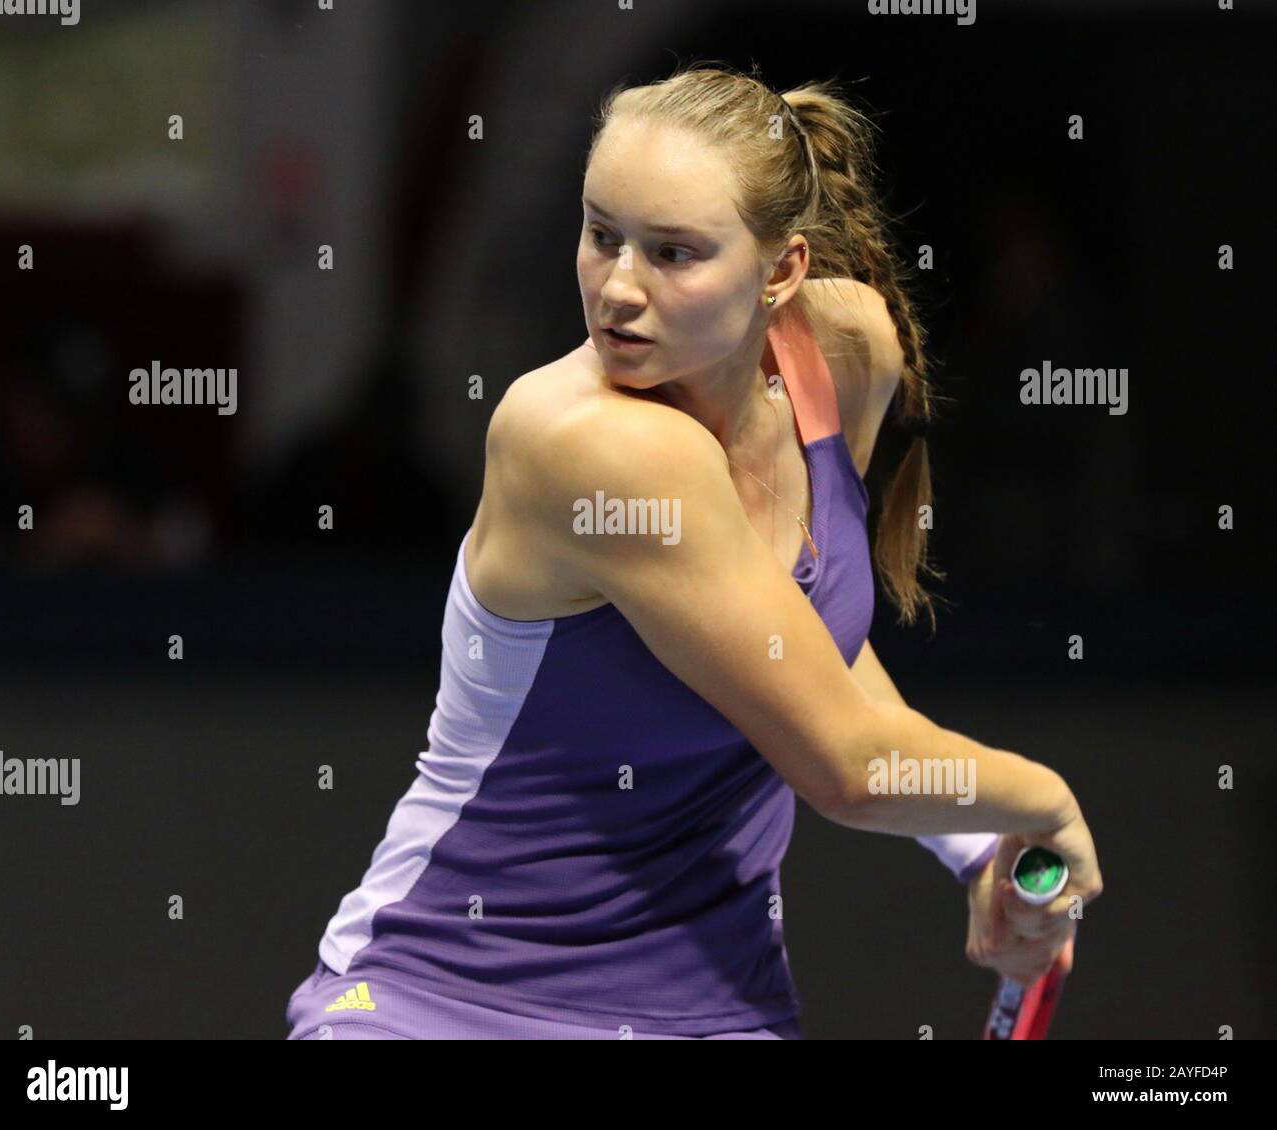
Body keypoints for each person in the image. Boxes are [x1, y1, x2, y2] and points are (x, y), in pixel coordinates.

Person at [284, 63, 1102, 1040]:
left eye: (673, 252)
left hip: (714, 1014)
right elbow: (843, 763)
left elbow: (803, 655)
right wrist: (1042, 799)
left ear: (783, 269)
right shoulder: (586, 440)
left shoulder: (846, 356)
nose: (618, 287)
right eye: (601, 235)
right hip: (448, 1001)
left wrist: (975, 842)